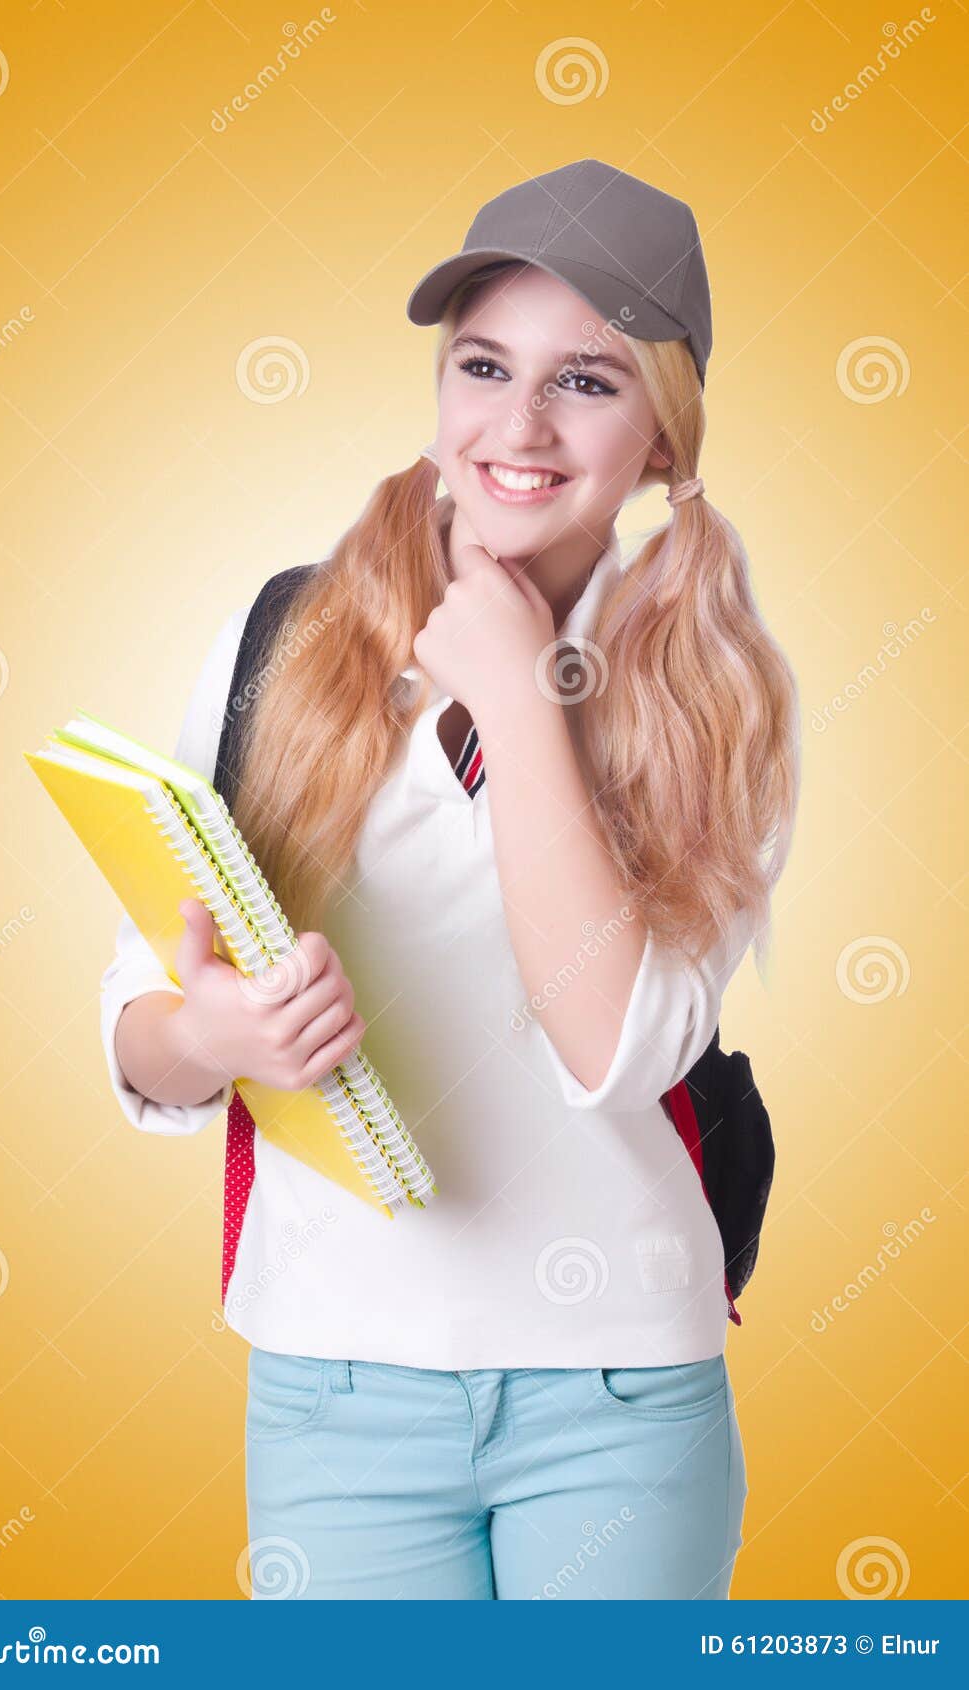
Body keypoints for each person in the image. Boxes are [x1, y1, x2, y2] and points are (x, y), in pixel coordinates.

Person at [100, 158, 800, 1600]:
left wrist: (517, 700)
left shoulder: (721, 693)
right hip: (333, 1387)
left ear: (665, 435)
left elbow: (611, 1046)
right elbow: (139, 1027)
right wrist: (213, 1040)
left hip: (615, 1398)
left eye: (589, 381)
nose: (519, 427)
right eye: (484, 366)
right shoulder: (276, 641)